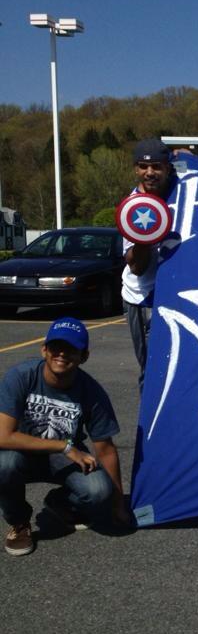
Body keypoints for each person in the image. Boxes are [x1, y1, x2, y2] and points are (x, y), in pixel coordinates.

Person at [1, 318, 127, 556]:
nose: (61, 353)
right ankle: (19, 523)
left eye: (70, 349)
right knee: (3, 464)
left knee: (99, 491)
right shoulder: (21, 377)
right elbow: (3, 436)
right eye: (56, 347)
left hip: (63, 458)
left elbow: (106, 448)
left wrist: (117, 503)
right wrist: (64, 446)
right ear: (44, 350)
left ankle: (59, 502)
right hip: (23, 451)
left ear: (84, 356)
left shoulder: (92, 391)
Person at [122, 138, 177, 392]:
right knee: (152, 370)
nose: (150, 172)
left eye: (156, 166)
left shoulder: (179, 192)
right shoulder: (133, 207)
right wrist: (144, 237)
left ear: (167, 168)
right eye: (143, 167)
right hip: (143, 298)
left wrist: (187, 157)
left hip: (176, 294)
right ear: (136, 169)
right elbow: (136, 267)